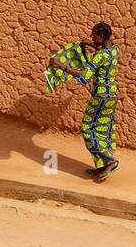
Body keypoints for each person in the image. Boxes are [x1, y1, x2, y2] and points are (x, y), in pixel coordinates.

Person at [50, 22, 120, 180]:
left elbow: (84, 76)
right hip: (113, 95)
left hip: (101, 96)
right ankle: (103, 165)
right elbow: (105, 57)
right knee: (103, 128)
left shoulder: (99, 55)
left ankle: (109, 161)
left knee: (87, 128)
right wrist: (91, 45)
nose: (92, 38)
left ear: (101, 36)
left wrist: (61, 65)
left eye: (94, 36)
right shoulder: (114, 50)